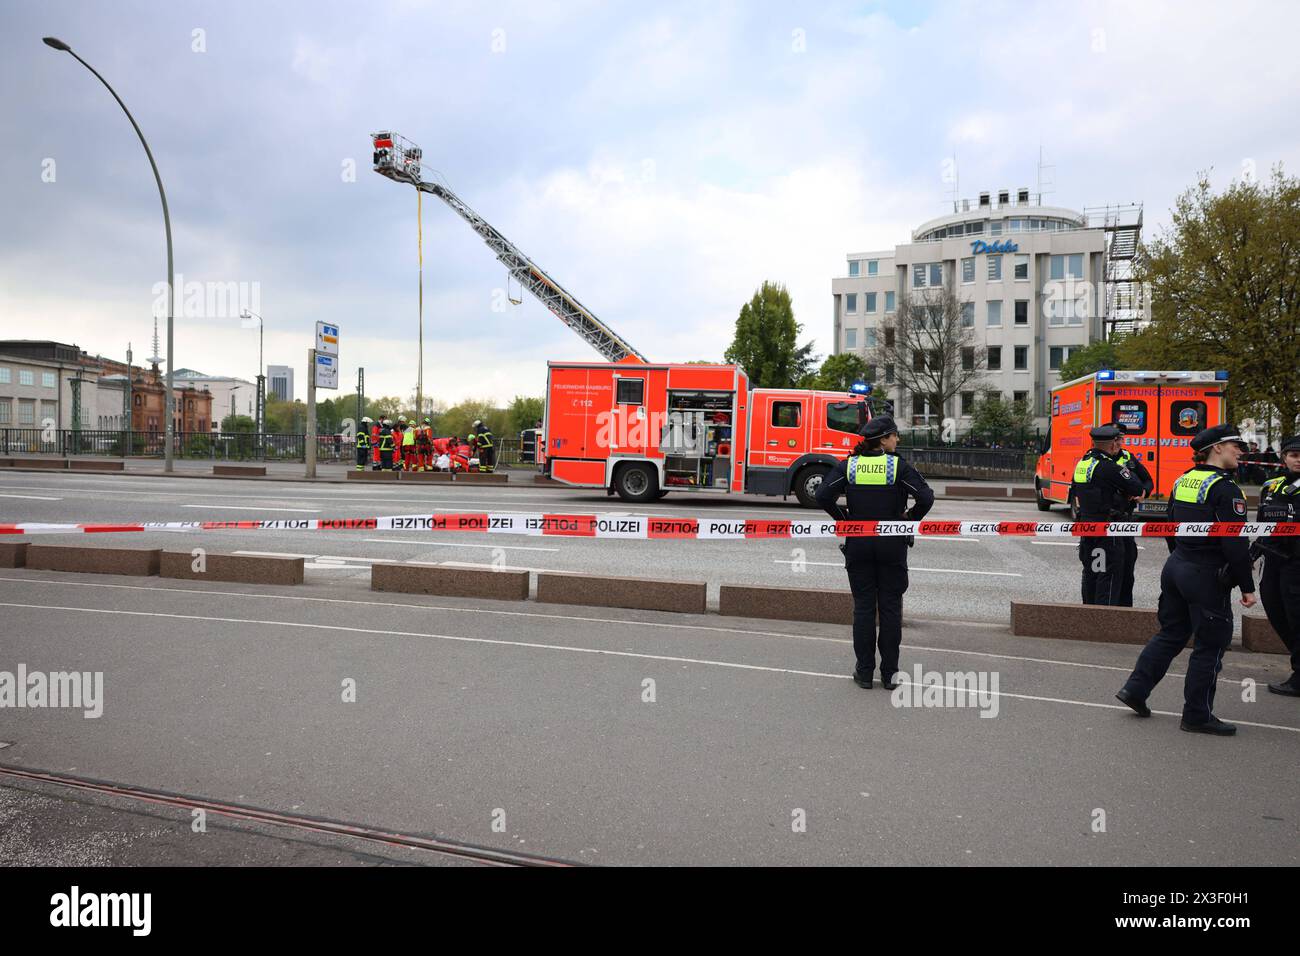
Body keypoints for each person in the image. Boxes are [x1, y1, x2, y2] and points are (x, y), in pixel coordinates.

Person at [1116, 424, 1256, 735]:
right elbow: (1234, 541)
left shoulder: (1184, 480)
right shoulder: (1226, 488)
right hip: (1206, 574)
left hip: (1177, 567)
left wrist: (1180, 556)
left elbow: (1169, 524)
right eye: (1235, 445)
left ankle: (1135, 690)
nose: (1240, 451)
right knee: (1211, 645)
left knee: (1171, 633)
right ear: (1216, 449)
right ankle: (1197, 715)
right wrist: (1247, 586)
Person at [815, 415, 934, 690]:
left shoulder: (850, 466)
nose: (897, 439)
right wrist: (908, 520)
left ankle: (865, 672)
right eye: (894, 435)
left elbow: (822, 495)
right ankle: (890, 674)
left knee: (864, 609)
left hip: (859, 545)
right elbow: (926, 497)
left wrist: (843, 520)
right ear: (882, 439)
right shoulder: (897, 467)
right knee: (891, 609)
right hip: (892, 546)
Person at [1070, 424, 1147, 606]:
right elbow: (1136, 487)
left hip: (1087, 528)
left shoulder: (1082, 464)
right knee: (1109, 575)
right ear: (1113, 445)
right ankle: (1105, 620)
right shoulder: (1110, 467)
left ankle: (1088, 612)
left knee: (1091, 572)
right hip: (1108, 530)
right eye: (1117, 443)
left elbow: (1076, 490)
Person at [1254, 434, 1300, 696]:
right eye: (1294, 455)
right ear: (1283, 458)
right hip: (1273, 558)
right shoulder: (1271, 486)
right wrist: (1254, 552)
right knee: (1275, 609)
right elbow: (1262, 522)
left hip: (1297, 561)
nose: (1299, 460)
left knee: (1296, 616)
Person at [1109, 421, 1154, 606]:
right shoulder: (1100, 460)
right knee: (1111, 571)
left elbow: (1148, 480)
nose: (1120, 442)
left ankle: (1125, 609)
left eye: (1121, 438)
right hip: (1108, 520)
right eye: (1117, 439)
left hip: (1126, 520)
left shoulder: (1128, 457)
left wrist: (1143, 492)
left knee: (1128, 568)